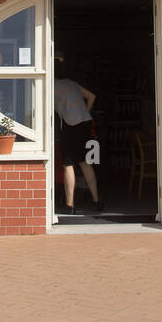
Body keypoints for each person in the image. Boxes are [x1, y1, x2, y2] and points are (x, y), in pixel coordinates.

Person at [54, 51, 102, 214]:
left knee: (68, 164)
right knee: (85, 163)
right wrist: (85, 113)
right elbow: (92, 96)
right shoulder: (71, 83)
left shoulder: (50, 87)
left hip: (70, 125)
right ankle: (96, 201)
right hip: (85, 123)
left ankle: (70, 205)